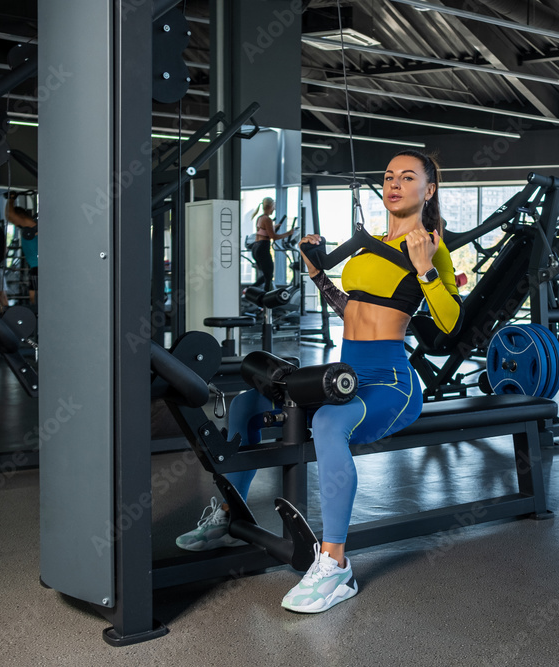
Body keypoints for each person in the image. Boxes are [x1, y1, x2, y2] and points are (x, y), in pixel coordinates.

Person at [176, 150, 462, 613]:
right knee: (248, 404)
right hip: (345, 374)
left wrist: (426, 268)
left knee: (329, 422)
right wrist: (316, 273)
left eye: (407, 177)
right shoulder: (369, 245)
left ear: (428, 190)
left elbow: (451, 325)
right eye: (388, 175)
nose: (394, 184)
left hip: (390, 382)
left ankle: (335, 565)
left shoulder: (431, 247)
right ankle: (229, 513)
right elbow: (352, 311)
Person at [248, 196, 295, 290]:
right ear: (269, 206)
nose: (274, 209)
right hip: (263, 248)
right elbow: (274, 237)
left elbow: (264, 232)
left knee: (267, 274)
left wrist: (273, 227)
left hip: (256, 247)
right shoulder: (267, 219)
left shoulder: (260, 218)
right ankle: (252, 291)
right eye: (273, 206)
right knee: (269, 275)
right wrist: (288, 233)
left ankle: (252, 290)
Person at [5, 195, 38, 305]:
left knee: (35, 297)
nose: (14, 223)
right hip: (35, 267)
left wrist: (11, 199)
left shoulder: (30, 225)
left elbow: (10, 215)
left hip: (38, 267)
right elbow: (9, 217)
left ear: (21, 216)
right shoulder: (29, 227)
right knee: (33, 297)